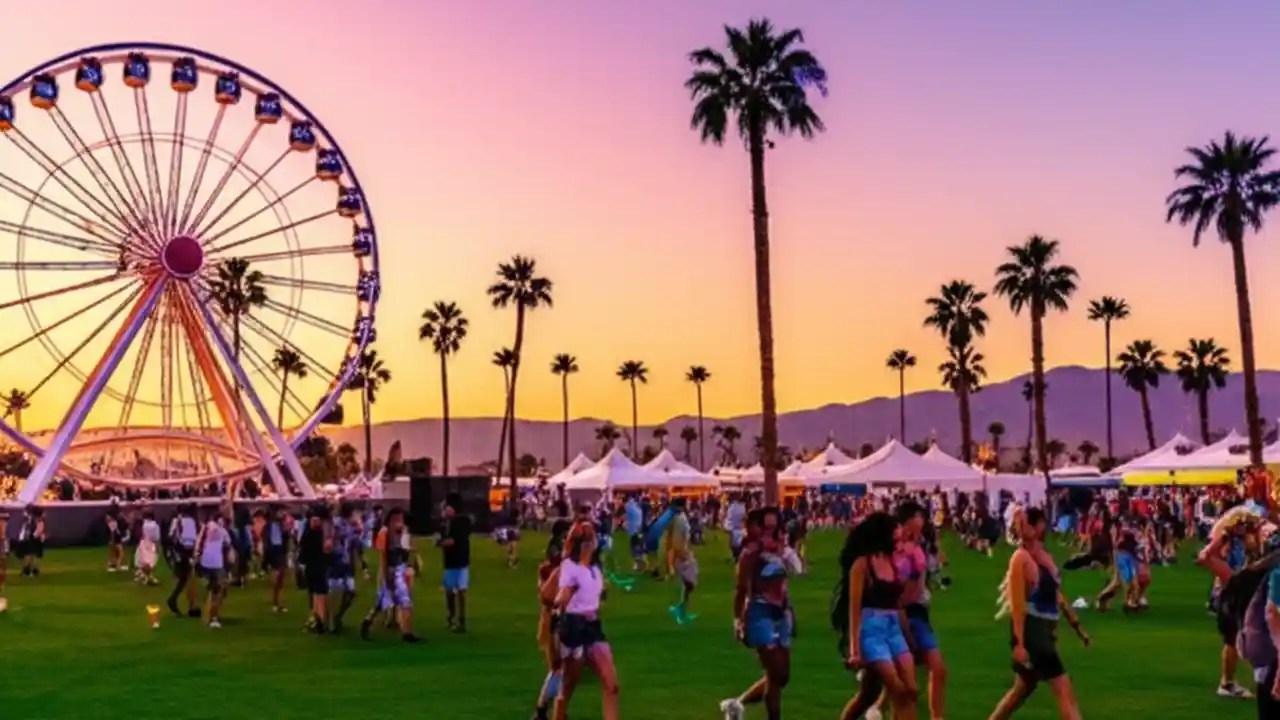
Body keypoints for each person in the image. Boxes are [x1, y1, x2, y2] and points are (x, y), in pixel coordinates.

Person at [990, 507, 1088, 719]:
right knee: (1063, 688)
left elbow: (1057, 596)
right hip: (1033, 634)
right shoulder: (1020, 559)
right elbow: (1017, 606)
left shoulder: (1044, 557)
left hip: (1044, 632)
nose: (1045, 526)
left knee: (1022, 690)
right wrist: (1019, 643)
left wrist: (1076, 625)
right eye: (1039, 522)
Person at [838, 512, 918, 720]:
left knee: (909, 690)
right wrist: (855, 650)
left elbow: (898, 603)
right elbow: (854, 608)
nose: (900, 543)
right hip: (871, 630)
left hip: (893, 628)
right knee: (898, 690)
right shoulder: (862, 565)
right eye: (897, 538)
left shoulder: (893, 562)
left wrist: (909, 636)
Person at [720, 507, 792, 720]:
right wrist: (737, 620)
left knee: (782, 676)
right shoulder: (750, 554)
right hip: (759, 614)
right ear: (755, 528)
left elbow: (787, 580)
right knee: (775, 672)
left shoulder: (780, 550)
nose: (770, 532)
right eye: (765, 528)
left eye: (774, 527)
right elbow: (741, 588)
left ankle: (736, 704)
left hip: (781, 613)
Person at [553, 520, 619, 720]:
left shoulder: (595, 567)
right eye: (586, 540)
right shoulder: (569, 566)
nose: (590, 544)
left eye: (591, 539)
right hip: (574, 626)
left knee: (611, 684)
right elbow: (562, 594)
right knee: (569, 684)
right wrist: (562, 598)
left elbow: (597, 596)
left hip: (592, 626)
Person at [1200, 511, 1256, 699]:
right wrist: (1225, 534)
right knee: (1233, 640)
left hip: (1238, 592)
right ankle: (1227, 683)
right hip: (1229, 594)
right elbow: (1204, 556)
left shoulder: (1242, 542)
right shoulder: (1226, 543)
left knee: (1238, 639)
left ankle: (1229, 681)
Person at [360, 507, 418, 643]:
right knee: (381, 602)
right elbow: (384, 557)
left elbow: (407, 551)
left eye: (401, 519)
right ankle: (366, 623)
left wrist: (410, 563)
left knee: (405, 602)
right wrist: (387, 577)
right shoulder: (384, 533)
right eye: (396, 519)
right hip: (390, 570)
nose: (399, 522)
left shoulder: (404, 532)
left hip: (400, 569)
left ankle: (407, 632)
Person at [533, 519, 572, 720]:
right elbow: (546, 596)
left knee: (562, 669)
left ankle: (549, 709)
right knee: (560, 668)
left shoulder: (561, 567)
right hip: (557, 621)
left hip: (561, 621)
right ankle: (545, 709)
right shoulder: (557, 569)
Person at [439, 493, 472, 633]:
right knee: (455, 591)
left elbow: (452, 540)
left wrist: (440, 543)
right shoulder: (454, 521)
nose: (445, 510)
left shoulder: (458, 522)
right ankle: (457, 618)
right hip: (457, 560)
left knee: (455, 591)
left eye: (446, 507)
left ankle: (456, 619)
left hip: (456, 560)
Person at [193, 508, 231, 629]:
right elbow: (228, 543)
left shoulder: (205, 528)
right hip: (216, 564)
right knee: (219, 591)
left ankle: (208, 614)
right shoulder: (221, 530)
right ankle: (213, 617)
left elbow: (198, 544)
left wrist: (196, 559)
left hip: (205, 563)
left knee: (211, 590)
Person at [328, 502, 361, 633]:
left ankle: (338, 615)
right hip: (336, 561)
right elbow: (332, 539)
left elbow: (356, 539)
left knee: (351, 592)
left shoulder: (350, 524)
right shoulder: (337, 523)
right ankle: (332, 620)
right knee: (335, 592)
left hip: (347, 561)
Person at [300, 505, 333, 634]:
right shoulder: (323, 531)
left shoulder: (316, 532)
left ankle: (319, 620)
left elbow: (303, 546)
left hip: (316, 564)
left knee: (318, 593)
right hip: (316, 564)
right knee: (318, 592)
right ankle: (318, 618)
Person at [665, 497, 698, 624]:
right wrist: (682, 555)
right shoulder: (680, 519)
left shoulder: (678, 518)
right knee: (689, 583)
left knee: (688, 584)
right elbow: (677, 541)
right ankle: (680, 611)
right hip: (682, 555)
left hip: (683, 553)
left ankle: (681, 609)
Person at [166, 503, 200, 617]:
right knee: (189, 578)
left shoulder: (176, 520)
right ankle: (190, 606)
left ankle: (175, 600)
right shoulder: (190, 522)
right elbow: (192, 540)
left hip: (177, 552)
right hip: (185, 552)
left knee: (182, 578)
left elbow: (171, 536)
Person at [261, 504, 291, 613]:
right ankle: (275, 601)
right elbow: (265, 542)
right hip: (273, 551)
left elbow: (286, 537)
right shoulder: (268, 527)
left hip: (280, 550)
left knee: (282, 577)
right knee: (277, 577)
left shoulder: (280, 525)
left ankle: (279, 601)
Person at [17, 505, 45, 578]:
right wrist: (35, 536)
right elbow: (39, 529)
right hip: (32, 538)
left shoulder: (27, 518)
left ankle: (28, 571)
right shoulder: (36, 519)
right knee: (33, 555)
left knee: (29, 555)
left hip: (27, 538)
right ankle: (31, 571)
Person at [134, 510, 161, 586]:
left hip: (143, 543)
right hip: (151, 544)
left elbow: (141, 535)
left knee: (144, 561)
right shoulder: (155, 525)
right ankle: (149, 577)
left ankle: (146, 576)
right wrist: (158, 546)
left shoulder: (144, 524)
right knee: (151, 561)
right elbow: (156, 537)